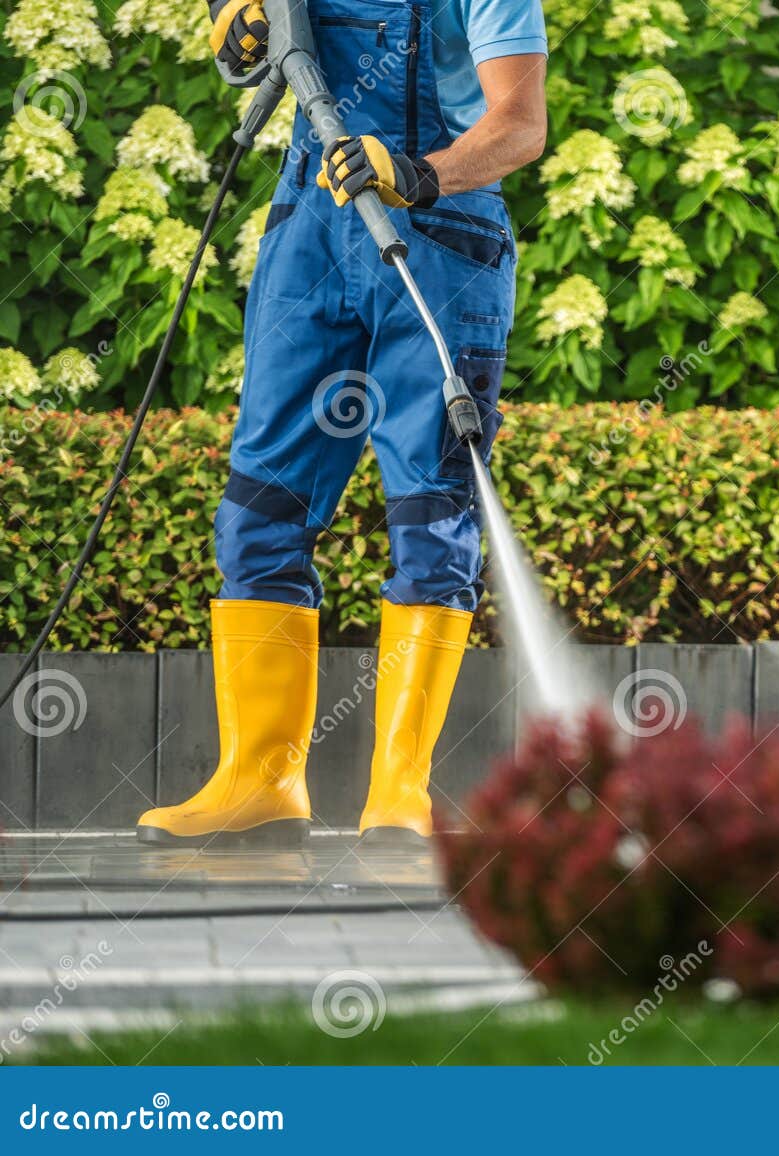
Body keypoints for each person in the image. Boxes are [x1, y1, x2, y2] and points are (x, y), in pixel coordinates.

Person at [136, 0, 547, 847]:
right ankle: (260, 778)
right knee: (259, 506)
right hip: (312, 238)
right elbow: (245, 37)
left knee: (433, 515)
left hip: (442, 243)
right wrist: (234, 24)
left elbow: (520, 123)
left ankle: (400, 791)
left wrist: (419, 171)